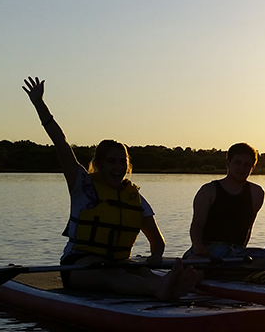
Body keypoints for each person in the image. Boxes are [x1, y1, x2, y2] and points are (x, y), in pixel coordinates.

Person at [22, 76, 198, 299]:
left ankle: (166, 285)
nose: (118, 167)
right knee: (114, 276)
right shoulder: (83, 186)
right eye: (111, 161)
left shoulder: (134, 197)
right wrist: (39, 104)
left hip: (120, 262)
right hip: (80, 265)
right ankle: (161, 288)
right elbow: (61, 143)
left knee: (144, 272)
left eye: (122, 162)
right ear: (99, 164)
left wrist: (156, 255)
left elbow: (156, 240)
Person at [186, 143, 265, 268]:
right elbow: (197, 224)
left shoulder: (257, 193)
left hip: (237, 252)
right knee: (195, 263)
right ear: (228, 163)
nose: (241, 168)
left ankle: (233, 268)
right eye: (237, 163)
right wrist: (198, 245)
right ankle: (232, 268)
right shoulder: (208, 190)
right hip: (209, 249)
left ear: (253, 167)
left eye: (247, 165)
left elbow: (248, 228)